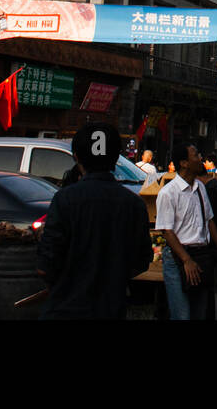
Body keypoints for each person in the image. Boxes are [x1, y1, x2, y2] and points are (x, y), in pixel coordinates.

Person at [36, 122, 153, 318]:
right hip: (111, 307)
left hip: (65, 308)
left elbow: (45, 266)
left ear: (76, 158)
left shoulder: (64, 200)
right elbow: (142, 261)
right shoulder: (134, 204)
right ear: (116, 158)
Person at [157, 142, 217, 320]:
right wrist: (186, 260)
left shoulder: (200, 188)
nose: (200, 158)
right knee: (182, 314)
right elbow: (167, 231)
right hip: (178, 259)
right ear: (184, 163)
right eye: (195, 155)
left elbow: (209, 221)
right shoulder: (168, 193)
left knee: (200, 312)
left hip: (201, 256)